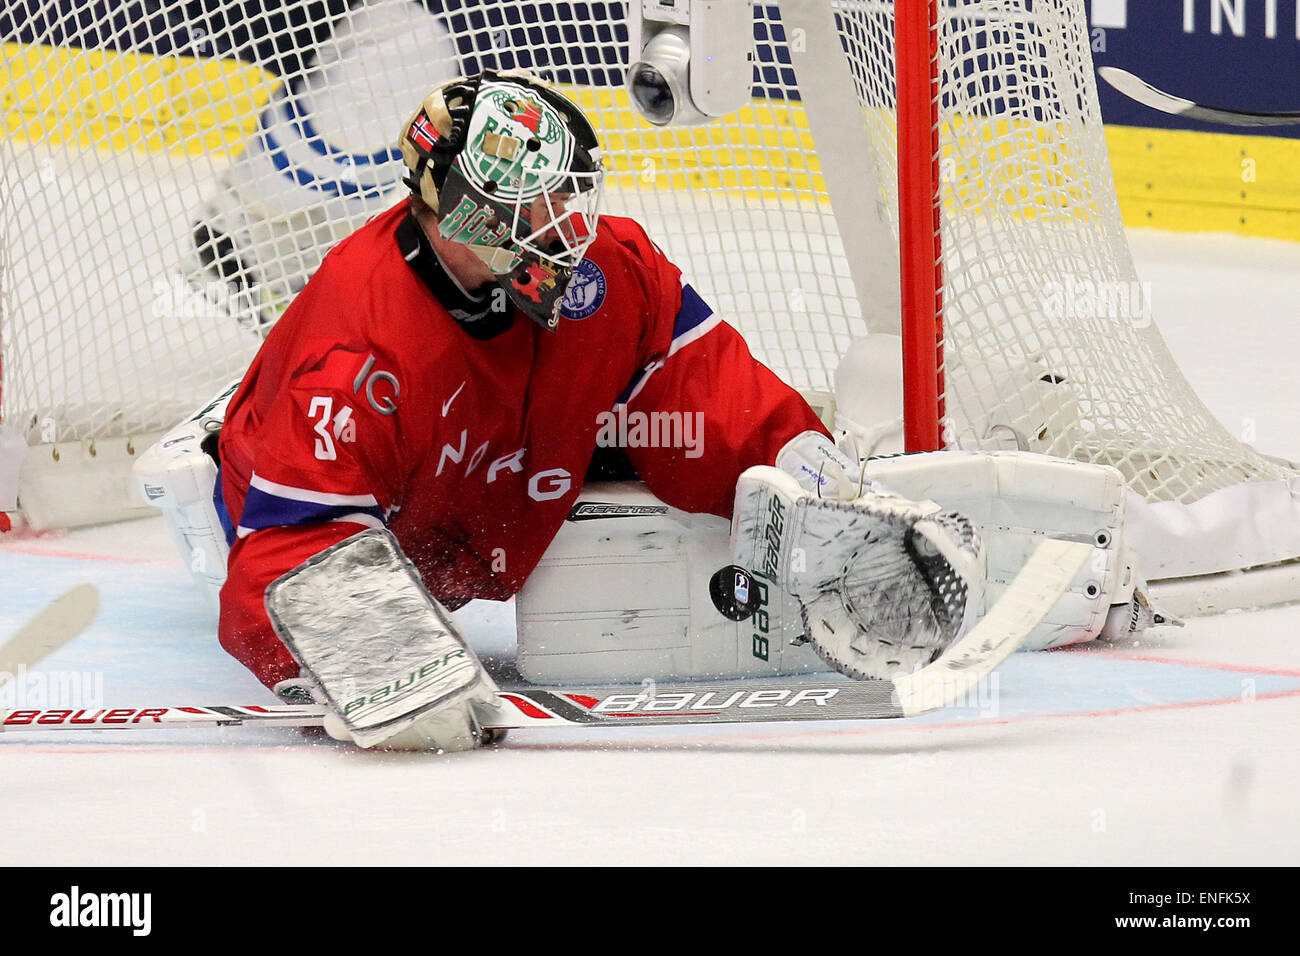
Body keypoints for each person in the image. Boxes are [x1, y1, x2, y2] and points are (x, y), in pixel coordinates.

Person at [142, 69, 989, 752]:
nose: (569, 228)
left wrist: (804, 473)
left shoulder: (594, 268)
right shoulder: (357, 356)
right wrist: (374, 661)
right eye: (538, 209)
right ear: (467, 217)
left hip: (484, 472)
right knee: (342, 555)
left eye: (570, 196)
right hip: (302, 492)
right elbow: (289, 548)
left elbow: (691, 387)